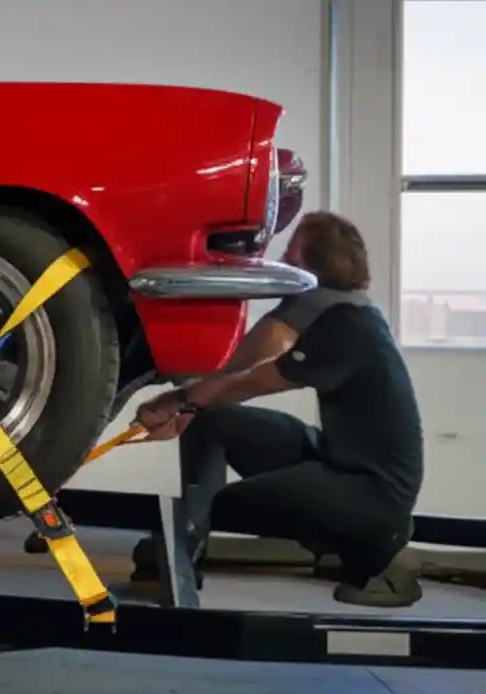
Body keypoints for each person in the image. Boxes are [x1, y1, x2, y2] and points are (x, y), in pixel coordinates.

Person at [28, 211, 425, 608]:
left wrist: (179, 400)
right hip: (337, 459)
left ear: (312, 267)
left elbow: (252, 380)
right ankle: (189, 541)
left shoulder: (348, 328)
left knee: (221, 503)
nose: (283, 259)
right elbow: (243, 371)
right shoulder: (344, 312)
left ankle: (194, 542)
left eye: (291, 252)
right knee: (213, 421)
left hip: (370, 491)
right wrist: (194, 402)